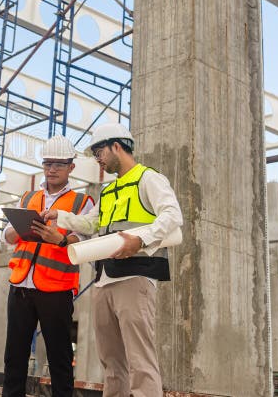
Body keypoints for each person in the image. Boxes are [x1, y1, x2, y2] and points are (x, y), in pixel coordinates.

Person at [42, 122, 182, 397]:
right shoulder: (108, 191)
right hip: (104, 280)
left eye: (99, 152)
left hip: (135, 278)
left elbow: (172, 215)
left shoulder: (148, 179)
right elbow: (91, 225)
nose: (98, 160)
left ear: (116, 146)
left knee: (140, 361)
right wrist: (62, 217)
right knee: (111, 363)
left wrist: (140, 240)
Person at [1, 134, 93, 397]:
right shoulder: (28, 197)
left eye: (59, 164)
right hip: (20, 285)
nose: (51, 169)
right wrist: (21, 229)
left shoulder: (82, 203)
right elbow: (7, 236)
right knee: (14, 356)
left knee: (60, 358)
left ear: (71, 167)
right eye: (47, 163)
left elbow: (85, 242)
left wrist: (61, 239)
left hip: (56, 289)